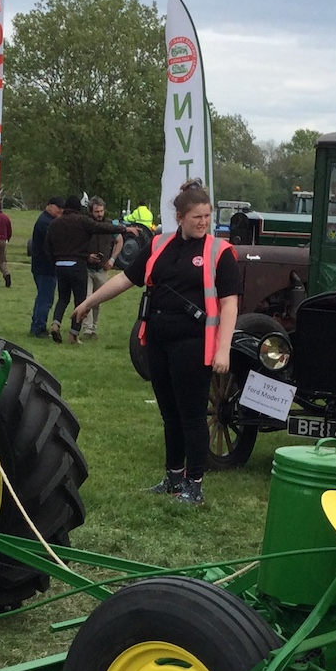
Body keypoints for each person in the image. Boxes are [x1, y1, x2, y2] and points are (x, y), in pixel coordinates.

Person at [74, 179, 241, 505]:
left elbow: (230, 303)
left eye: (207, 216)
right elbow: (125, 278)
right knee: (170, 415)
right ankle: (173, 477)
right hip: (158, 342)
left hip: (194, 344)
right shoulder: (160, 245)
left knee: (192, 416)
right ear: (179, 217)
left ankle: (195, 484)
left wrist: (223, 349)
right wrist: (88, 303)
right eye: (197, 217)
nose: (203, 222)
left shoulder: (219, 253)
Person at [45, 197, 127, 344]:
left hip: (60, 265)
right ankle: (73, 335)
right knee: (80, 302)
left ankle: (56, 324)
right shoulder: (82, 221)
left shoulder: (54, 223)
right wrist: (124, 228)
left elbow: (47, 247)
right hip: (77, 265)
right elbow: (103, 228)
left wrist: (55, 261)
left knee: (63, 299)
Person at [27, 195, 62, 336]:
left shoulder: (46, 220)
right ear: (50, 205)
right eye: (58, 208)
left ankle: (36, 324)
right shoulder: (45, 222)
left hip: (42, 266)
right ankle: (39, 327)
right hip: (45, 267)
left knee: (42, 296)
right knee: (45, 298)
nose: (60, 211)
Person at [0, 204, 12, 288]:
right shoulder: (5, 217)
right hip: (3, 241)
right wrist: (7, 239)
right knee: (2, 261)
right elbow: (9, 230)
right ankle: (6, 274)